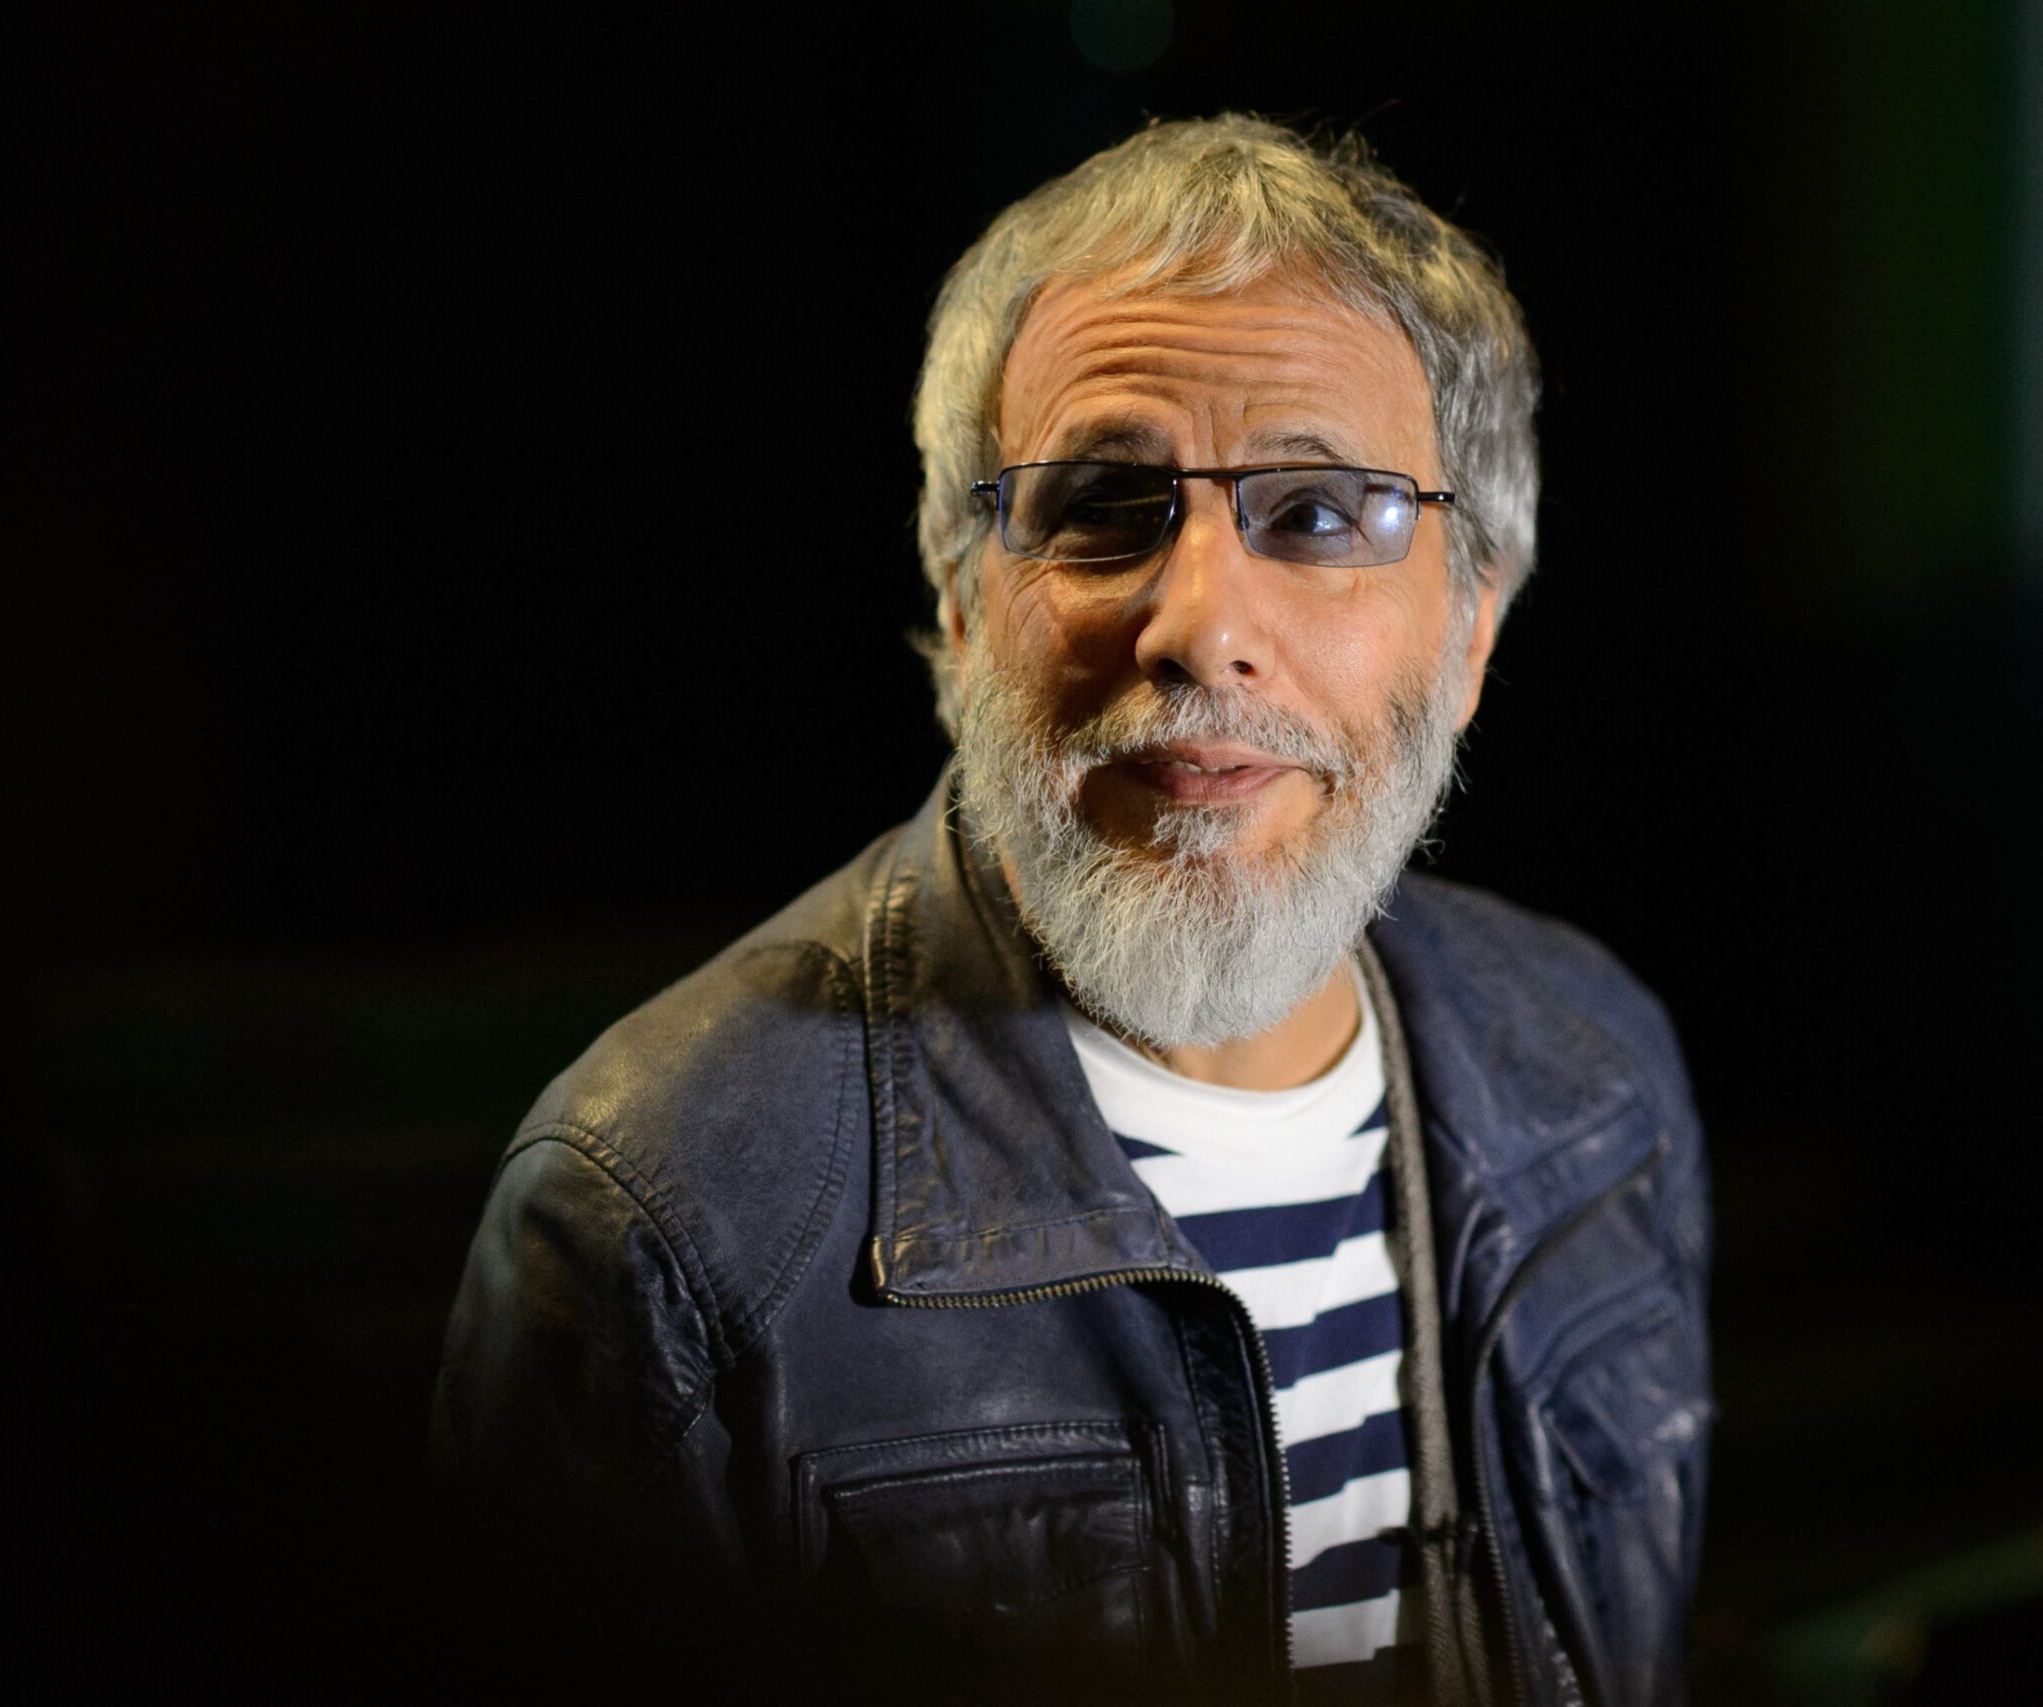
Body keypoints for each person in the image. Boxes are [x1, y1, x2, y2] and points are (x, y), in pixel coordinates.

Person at [433, 115, 1710, 1707]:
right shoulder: (659, 1217)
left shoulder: (1600, 1074)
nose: (1200, 624)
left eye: (1320, 512)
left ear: (1470, 628)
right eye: (1104, 503)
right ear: (962, 604)